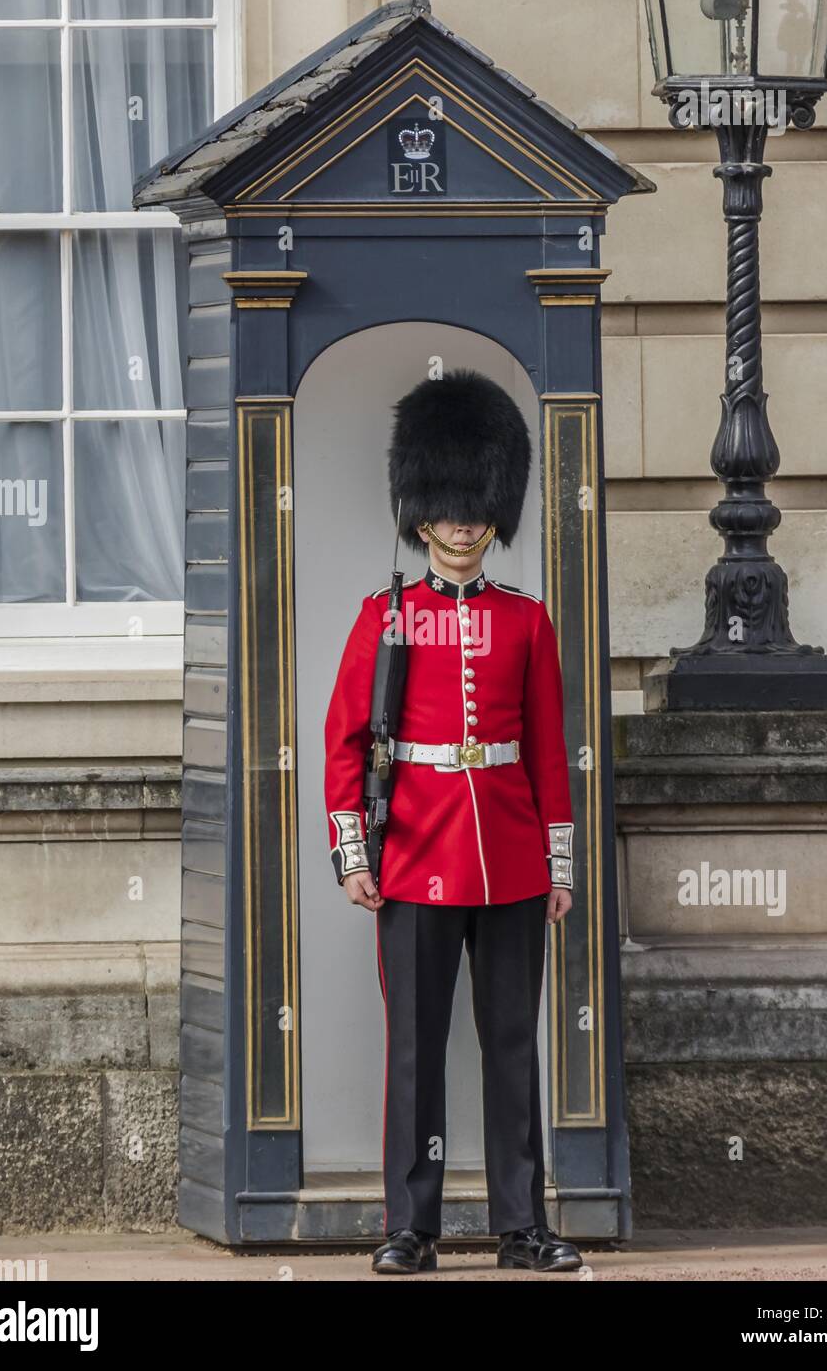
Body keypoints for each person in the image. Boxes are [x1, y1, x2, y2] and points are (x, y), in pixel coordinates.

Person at [323, 369, 581, 1274]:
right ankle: (412, 1227)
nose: (464, 527)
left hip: (509, 856)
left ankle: (522, 1227)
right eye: (449, 512)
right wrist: (353, 853)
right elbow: (346, 741)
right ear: (423, 516)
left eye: (477, 512)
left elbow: (548, 751)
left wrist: (558, 864)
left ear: (491, 514)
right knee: (415, 1050)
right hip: (415, 854)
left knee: (512, 1046)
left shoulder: (525, 622)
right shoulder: (382, 617)